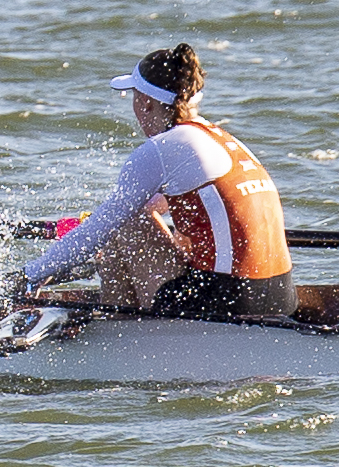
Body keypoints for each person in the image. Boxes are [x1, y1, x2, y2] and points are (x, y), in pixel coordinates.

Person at [23, 43, 295, 319]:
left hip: (229, 300)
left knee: (125, 223)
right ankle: (122, 322)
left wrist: (30, 275)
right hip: (281, 296)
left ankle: (118, 330)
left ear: (144, 102)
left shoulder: (162, 148)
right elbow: (162, 204)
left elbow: (98, 231)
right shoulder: (219, 139)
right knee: (135, 216)